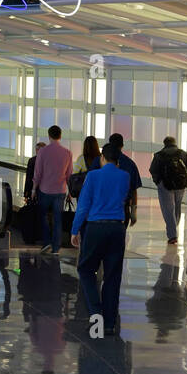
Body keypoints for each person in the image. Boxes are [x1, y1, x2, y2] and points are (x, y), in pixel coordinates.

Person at [71, 141, 131, 335]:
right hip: (117, 229)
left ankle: (96, 314)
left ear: (102, 158)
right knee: (113, 276)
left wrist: (74, 230)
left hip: (95, 228)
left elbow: (83, 206)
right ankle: (110, 324)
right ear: (118, 160)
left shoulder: (93, 175)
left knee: (86, 270)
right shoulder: (125, 177)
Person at [33, 124, 73, 256]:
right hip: (60, 191)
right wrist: (70, 192)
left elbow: (38, 172)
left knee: (42, 215)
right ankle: (56, 248)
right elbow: (69, 174)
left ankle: (47, 241)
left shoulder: (43, 151)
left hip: (45, 190)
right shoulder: (67, 153)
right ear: (60, 136)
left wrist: (34, 188)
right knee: (58, 219)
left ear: (49, 136)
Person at [150, 135, 187, 245]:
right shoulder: (184, 154)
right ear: (175, 143)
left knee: (168, 210)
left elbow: (153, 170)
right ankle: (173, 229)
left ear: (165, 144)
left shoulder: (159, 155)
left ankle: (172, 235)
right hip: (180, 186)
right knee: (177, 208)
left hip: (165, 186)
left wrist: (158, 182)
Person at [105, 133, 140, 227]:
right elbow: (134, 190)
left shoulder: (100, 161)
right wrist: (133, 211)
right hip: (122, 208)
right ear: (122, 145)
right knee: (119, 238)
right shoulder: (130, 164)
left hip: (102, 207)